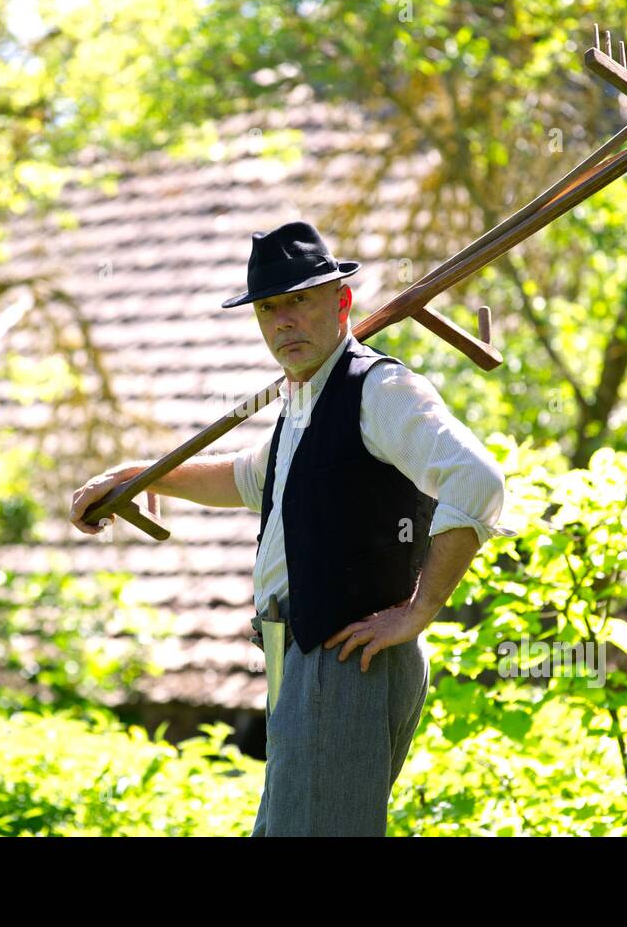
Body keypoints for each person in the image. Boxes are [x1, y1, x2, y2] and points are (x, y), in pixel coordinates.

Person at [71, 220, 513, 835]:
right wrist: (145, 477)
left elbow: (477, 481)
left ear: (342, 301)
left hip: (347, 656)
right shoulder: (304, 399)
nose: (283, 321)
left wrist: (419, 611)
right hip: (293, 655)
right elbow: (251, 480)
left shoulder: (378, 390)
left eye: (299, 301)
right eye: (270, 308)